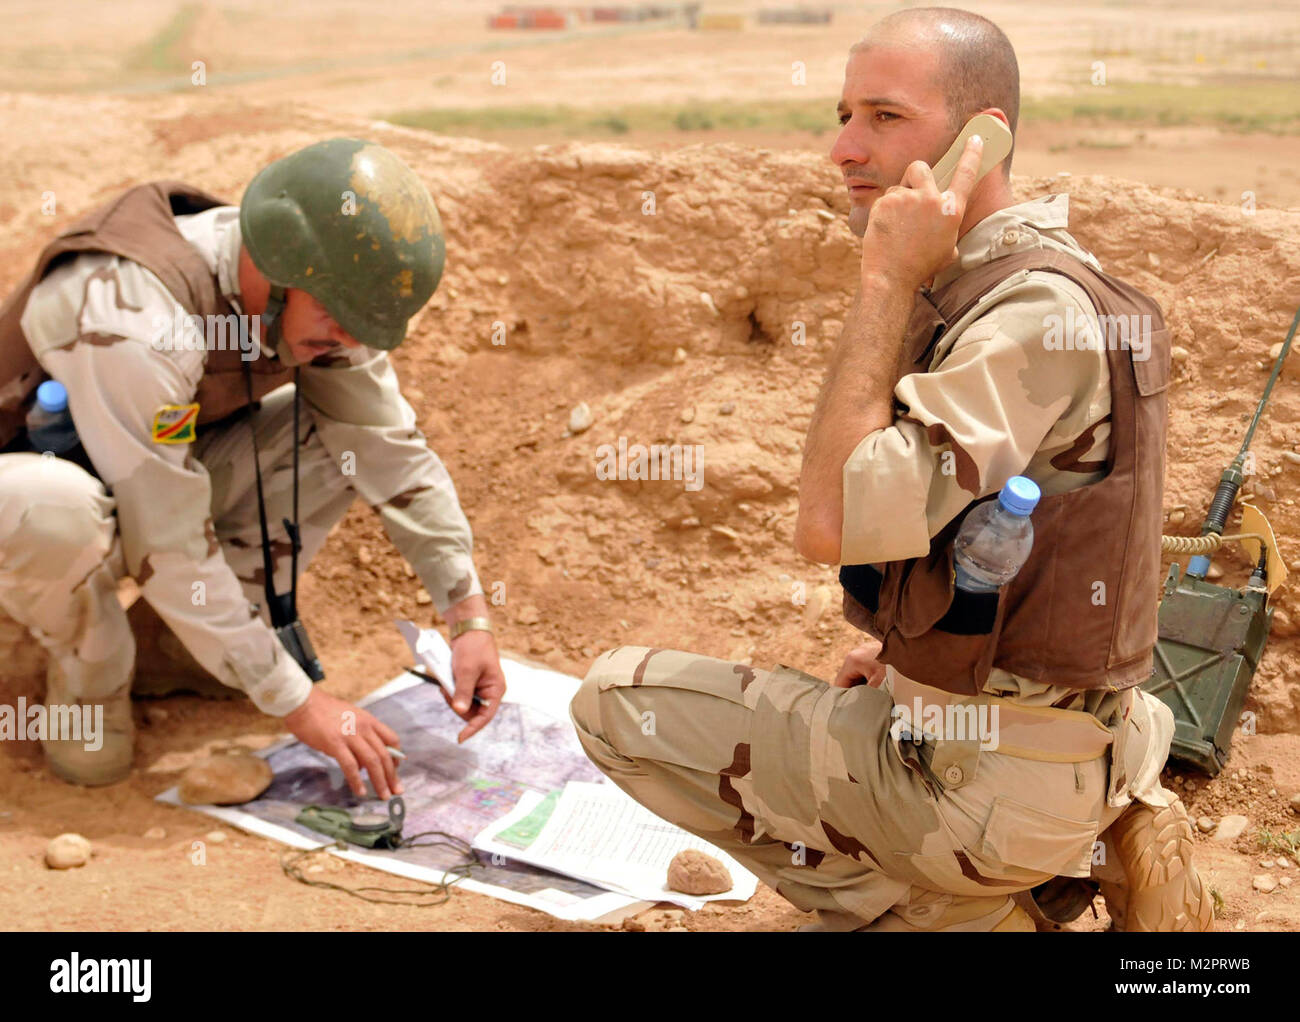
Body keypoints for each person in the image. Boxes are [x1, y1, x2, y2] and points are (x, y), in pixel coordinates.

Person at [570, 7, 1211, 931]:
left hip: (994, 780)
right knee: (854, 702)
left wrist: (883, 282)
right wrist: (910, 658)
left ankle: (974, 898)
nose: (843, 146)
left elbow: (826, 523)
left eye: (883, 117)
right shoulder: (1030, 285)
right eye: (843, 115)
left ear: (981, 138)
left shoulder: (1025, 315)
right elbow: (1020, 542)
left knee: (615, 700)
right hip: (1055, 733)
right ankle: (1058, 845)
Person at [0, 138, 505, 796]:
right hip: (33, 496)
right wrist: (299, 703)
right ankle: (90, 679)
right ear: (277, 274)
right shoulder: (136, 318)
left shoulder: (322, 299)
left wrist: (467, 617)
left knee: (333, 442)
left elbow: (387, 448)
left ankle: (176, 648)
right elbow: (169, 539)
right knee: (50, 508)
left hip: (151, 473)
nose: (346, 341)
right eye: (337, 319)